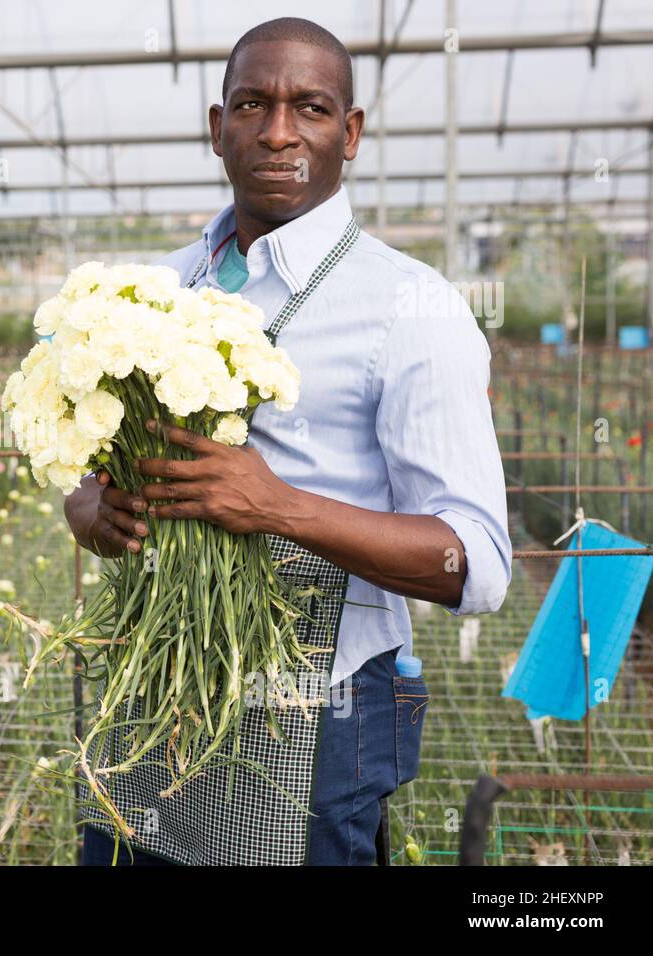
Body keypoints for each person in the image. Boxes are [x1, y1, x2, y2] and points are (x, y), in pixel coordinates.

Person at [64, 16, 511, 866]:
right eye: (251, 105)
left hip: (318, 712)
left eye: (308, 107)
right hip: (151, 686)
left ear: (350, 134)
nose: (276, 131)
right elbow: (95, 477)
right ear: (216, 128)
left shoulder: (410, 308)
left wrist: (279, 508)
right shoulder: (151, 291)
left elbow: (480, 563)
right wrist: (91, 506)